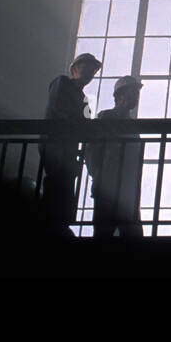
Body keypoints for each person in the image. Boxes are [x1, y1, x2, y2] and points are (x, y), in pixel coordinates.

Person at [40, 52, 102, 236]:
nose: (91, 73)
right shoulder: (62, 83)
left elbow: (86, 128)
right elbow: (58, 110)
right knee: (56, 182)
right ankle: (51, 225)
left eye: (93, 70)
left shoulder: (83, 99)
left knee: (65, 182)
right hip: (55, 145)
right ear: (74, 68)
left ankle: (59, 224)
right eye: (87, 67)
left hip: (67, 149)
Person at [86, 75, 144, 239]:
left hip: (125, 191)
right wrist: (100, 176)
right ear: (120, 96)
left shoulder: (132, 126)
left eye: (136, 94)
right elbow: (92, 151)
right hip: (109, 189)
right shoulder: (106, 118)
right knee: (105, 234)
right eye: (133, 93)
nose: (136, 97)